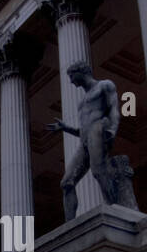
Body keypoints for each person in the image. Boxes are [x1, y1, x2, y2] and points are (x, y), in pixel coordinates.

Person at [47, 60, 121, 220]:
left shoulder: (104, 85)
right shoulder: (81, 103)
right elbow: (83, 131)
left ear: (82, 71)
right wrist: (66, 128)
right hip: (85, 140)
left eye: (72, 75)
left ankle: (116, 208)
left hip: (99, 129)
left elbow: (114, 109)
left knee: (99, 172)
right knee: (66, 182)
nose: (71, 80)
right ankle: (70, 227)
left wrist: (113, 130)